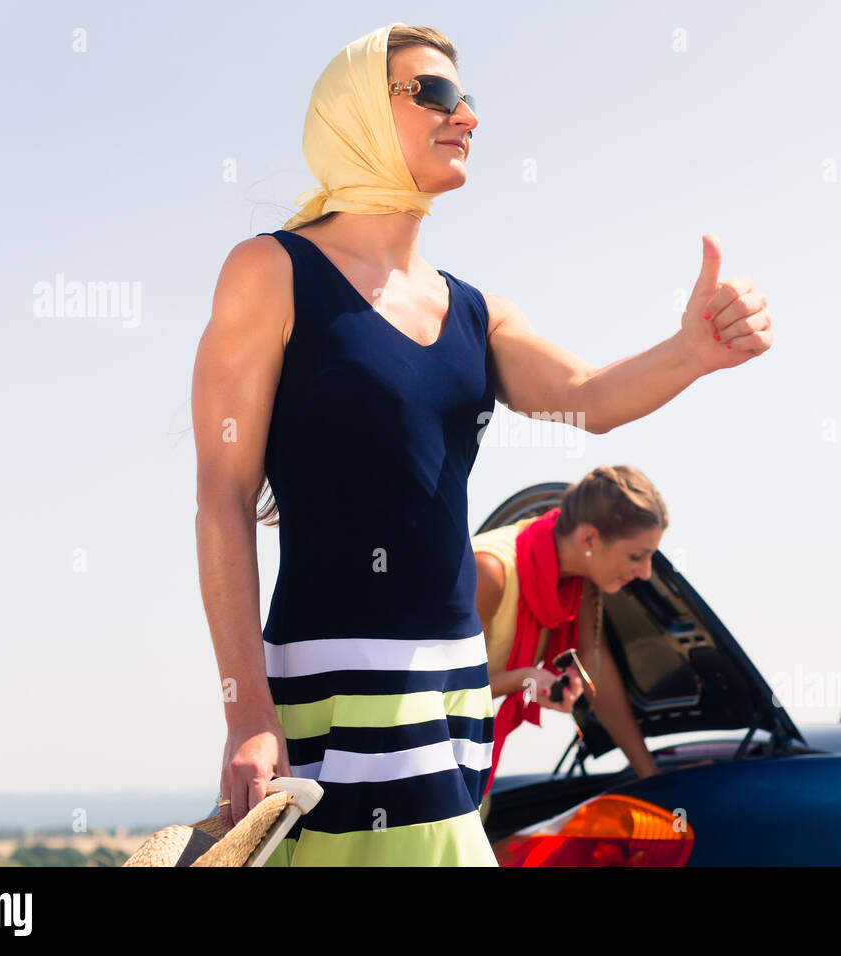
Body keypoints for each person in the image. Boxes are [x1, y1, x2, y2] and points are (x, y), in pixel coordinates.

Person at [191, 22, 773, 867]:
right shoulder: (269, 273)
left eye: (467, 99)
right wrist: (247, 714)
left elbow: (588, 399)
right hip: (329, 686)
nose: (463, 115)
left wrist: (691, 354)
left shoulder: (478, 311)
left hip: (455, 690)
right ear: (354, 111)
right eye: (432, 92)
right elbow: (222, 499)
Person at [471, 465, 666, 820]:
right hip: (403, 772)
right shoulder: (489, 573)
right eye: (637, 556)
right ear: (589, 540)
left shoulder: (579, 581)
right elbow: (435, 694)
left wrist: (651, 778)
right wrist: (523, 679)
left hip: (469, 779)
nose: (646, 573)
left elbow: (596, 674)